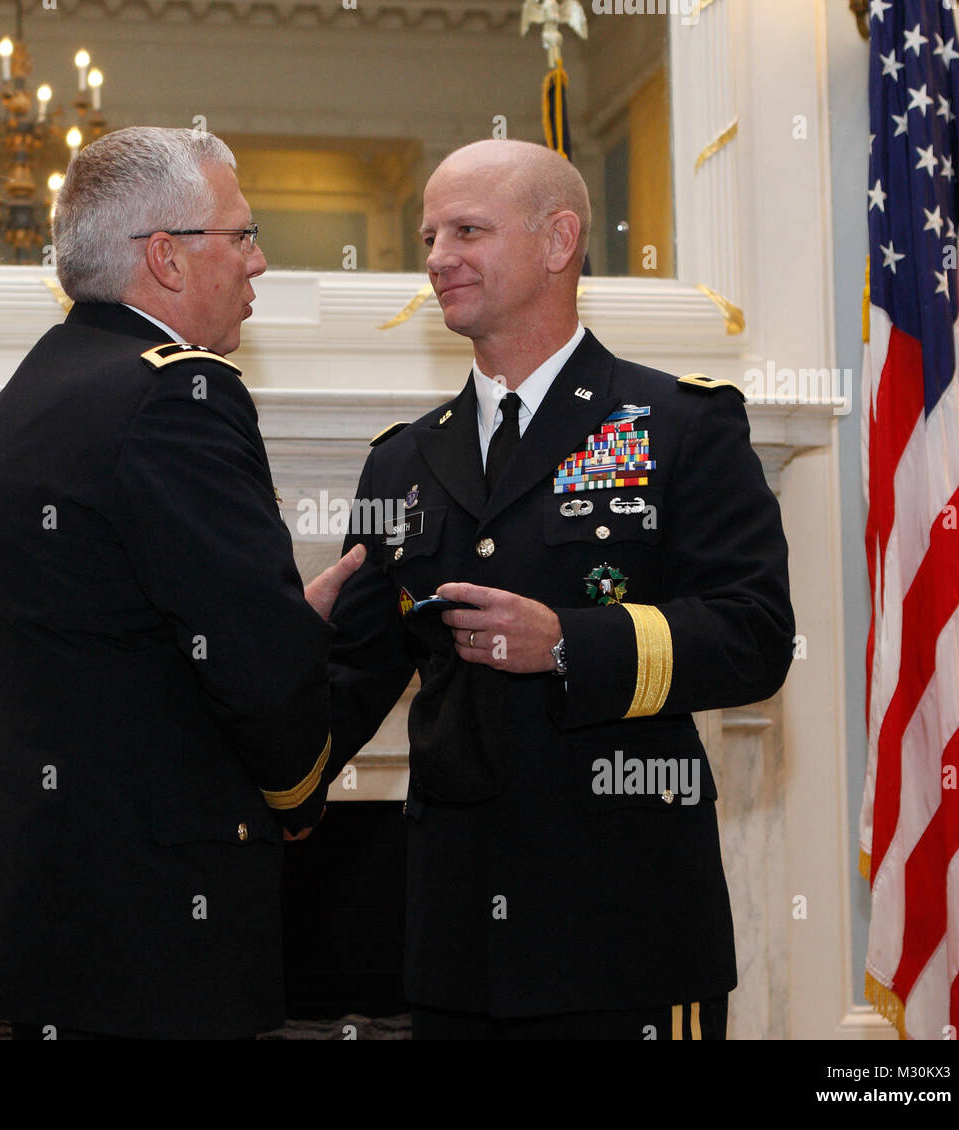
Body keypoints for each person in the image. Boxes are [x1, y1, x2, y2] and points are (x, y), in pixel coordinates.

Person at [326, 139, 795, 1039]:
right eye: (428, 234)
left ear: (558, 241)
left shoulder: (676, 424)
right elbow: (352, 678)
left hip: (625, 932)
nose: (436, 257)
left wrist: (574, 643)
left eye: (467, 229)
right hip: (457, 941)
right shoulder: (404, 458)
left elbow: (755, 634)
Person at [0, 126, 361, 1040]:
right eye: (241, 236)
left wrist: (274, 617)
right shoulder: (178, 394)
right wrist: (298, 784)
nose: (260, 262)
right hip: (150, 928)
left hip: (37, 914)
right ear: (165, 257)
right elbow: (253, 662)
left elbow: (121, 625)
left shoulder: (41, 385)